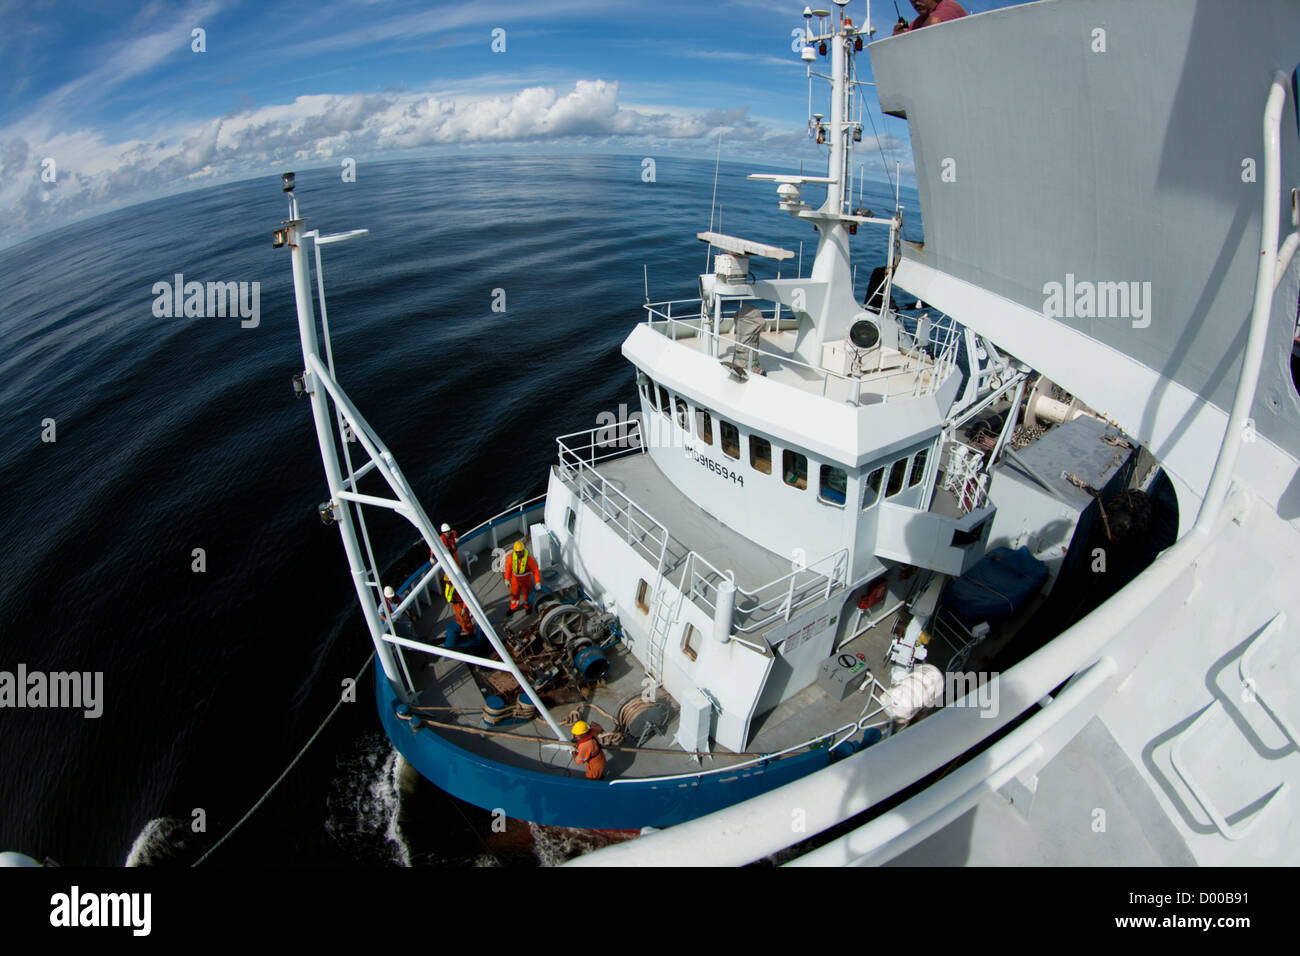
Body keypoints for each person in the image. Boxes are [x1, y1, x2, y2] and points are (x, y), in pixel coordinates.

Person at [503, 539, 540, 613]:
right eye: (517, 552)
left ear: (523, 550)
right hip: (515, 580)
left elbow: (535, 571)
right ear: (515, 552)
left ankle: (528, 606)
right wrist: (506, 579)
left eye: (520, 551)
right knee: (514, 595)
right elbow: (508, 569)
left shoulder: (529, 559)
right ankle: (513, 607)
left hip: (526, 580)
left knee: (527, 595)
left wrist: (538, 582)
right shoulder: (511, 558)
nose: (519, 553)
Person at [893, 0, 967, 35]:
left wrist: (906, 37)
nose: (914, 1)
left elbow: (933, 24)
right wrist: (897, 36)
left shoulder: (949, 6)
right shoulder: (916, 22)